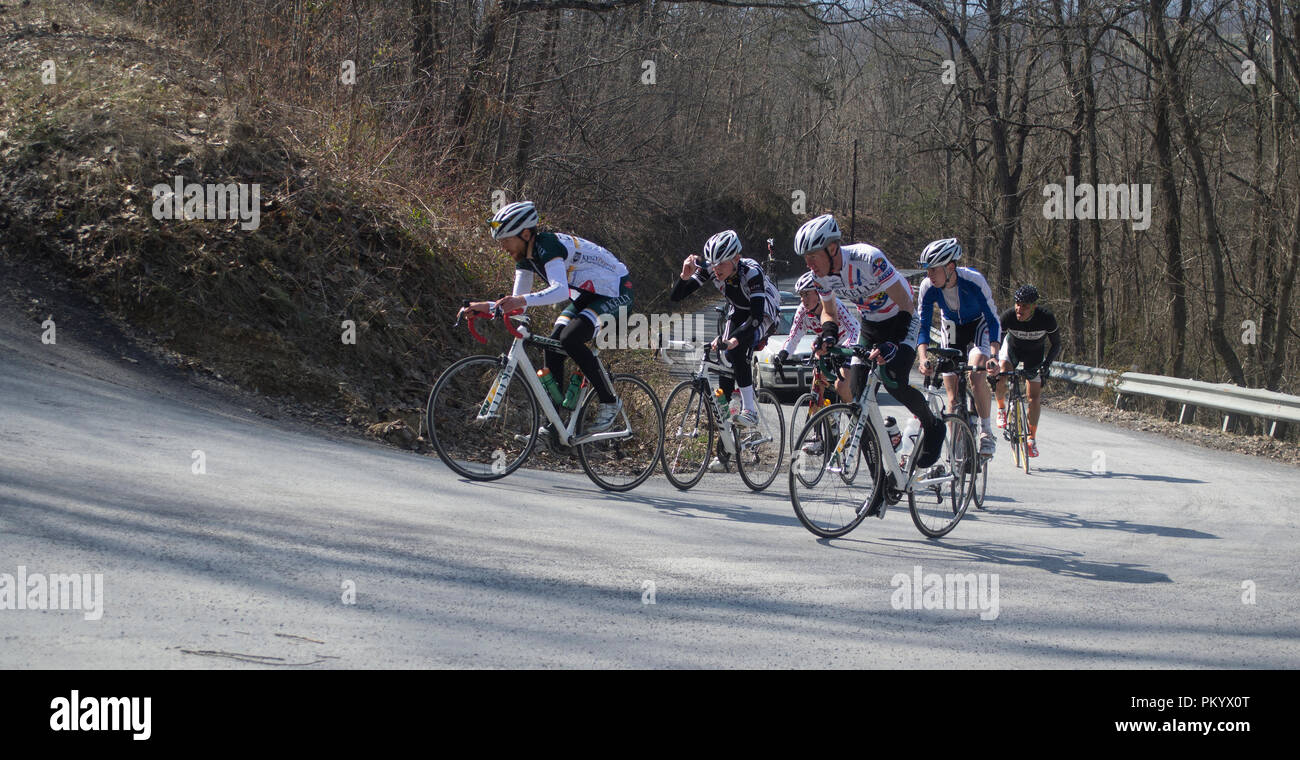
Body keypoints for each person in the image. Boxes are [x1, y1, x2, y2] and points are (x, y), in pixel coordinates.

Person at [794, 213, 944, 491]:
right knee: (857, 401)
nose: (809, 264)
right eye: (806, 259)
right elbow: (829, 311)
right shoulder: (822, 276)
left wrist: (894, 344)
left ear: (832, 248)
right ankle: (879, 486)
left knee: (894, 380)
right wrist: (827, 335)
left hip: (903, 318)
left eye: (813, 255)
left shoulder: (868, 259)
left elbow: (907, 304)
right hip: (871, 325)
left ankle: (933, 425)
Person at [459, 201, 632, 435]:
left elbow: (558, 291)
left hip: (618, 291)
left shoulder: (548, 246)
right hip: (590, 294)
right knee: (553, 345)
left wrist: (518, 301)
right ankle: (554, 426)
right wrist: (485, 308)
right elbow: (518, 307)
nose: (503, 248)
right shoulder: (525, 257)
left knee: (570, 338)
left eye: (506, 240)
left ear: (526, 233)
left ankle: (609, 401)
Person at [670, 230, 780, 472]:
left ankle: (750, 410)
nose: (716, 269)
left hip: (762, 313)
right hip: (737, 310)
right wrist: (684, 276)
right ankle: (725, 452)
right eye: (713, 264)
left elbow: (754, 316)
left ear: (736, 258)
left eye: (721, 264)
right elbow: (676, 297)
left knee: (737, 352)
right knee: (724, 383)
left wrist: (735, 339)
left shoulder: (751, 273)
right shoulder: (711, 268)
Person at [915, 238, 1001, 459]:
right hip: (952, 326)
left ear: (950, 267)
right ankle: (955, 450)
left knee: (977, 370)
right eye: (927, 270)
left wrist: (994, 356)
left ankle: (986, 431)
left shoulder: (973, 280)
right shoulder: (928, 287)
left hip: (978, 324)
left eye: (934, 270)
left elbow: (992, 320)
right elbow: (922, 325)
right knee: (951, 394)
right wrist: (923, 357)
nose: (929, 275)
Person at [994, 285, 1061, 457]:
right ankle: (1001, 408)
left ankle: (1031, 439)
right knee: (1002, 374)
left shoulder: (1046, 318)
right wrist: (993, 358)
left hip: (1034, 356)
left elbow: (1056, 344)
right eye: (1017, 303)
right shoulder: (1008, 316)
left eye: (1024, 305)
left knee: (1034, 397)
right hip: (1012, 350)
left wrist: (1046, 365)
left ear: (1034, 306)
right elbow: (997, 340)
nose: (1019, 308)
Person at [777, 270, 860, 403]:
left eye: (806, 294)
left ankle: (853, 412)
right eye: (801, 295)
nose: (803, 300)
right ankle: (822, 418)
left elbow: (854, 330)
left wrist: (845, 350)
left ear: (818, 292)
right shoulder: (802, 311)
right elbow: (793, 336)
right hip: (827, 345)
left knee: (842, 386)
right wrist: (784, 353)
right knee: (817, 384)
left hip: (848, 342)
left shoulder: (835, 305)